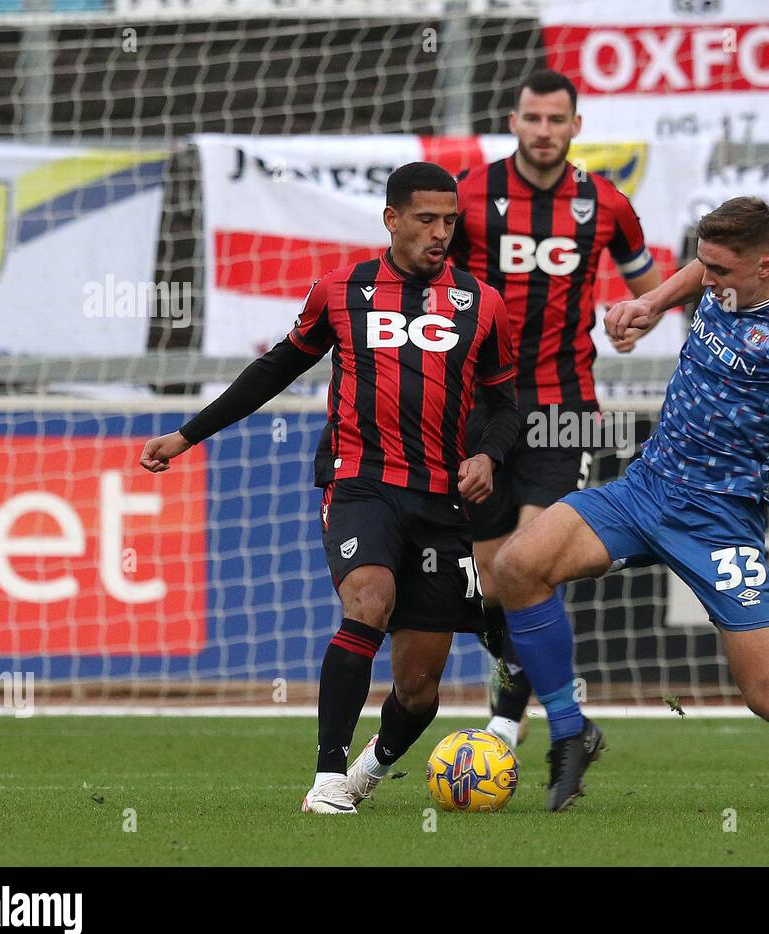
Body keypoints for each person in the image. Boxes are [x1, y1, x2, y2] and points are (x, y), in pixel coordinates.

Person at [492, 197, 769, 811]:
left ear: (764, 266)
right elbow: (697, 271)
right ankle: (571, 731)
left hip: (719, 520)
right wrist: (653, 303)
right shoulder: (726, 274)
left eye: (720, 272)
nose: (706, 281)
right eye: (703, 266)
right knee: (518, 565)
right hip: (645, 488)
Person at [138, 162, 518, 814]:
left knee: (420, 687)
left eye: (450, 221)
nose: (440, 233)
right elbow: (274, 369)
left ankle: (368, 772)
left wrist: (488, 455)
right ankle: (325, 776)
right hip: (360, 483)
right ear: (391, 219)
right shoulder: (342, 291)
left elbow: (507, 405)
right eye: (426, 219)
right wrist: (187, 435)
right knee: (369, 600)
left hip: (440, 501)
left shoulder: (482, 303)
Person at [447, 69, 663, 751]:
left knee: (526, 561)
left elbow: (647, 288)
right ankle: (519, 702)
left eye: (556, 120)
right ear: (513, 122)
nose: (544, 131)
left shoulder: (606, 203)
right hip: (480, 410)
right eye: (532, 119)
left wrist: (635, 319)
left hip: (562, 406)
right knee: (489, 585)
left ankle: (507, 728)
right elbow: (432, 286)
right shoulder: (471, 197)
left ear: (576, 127)